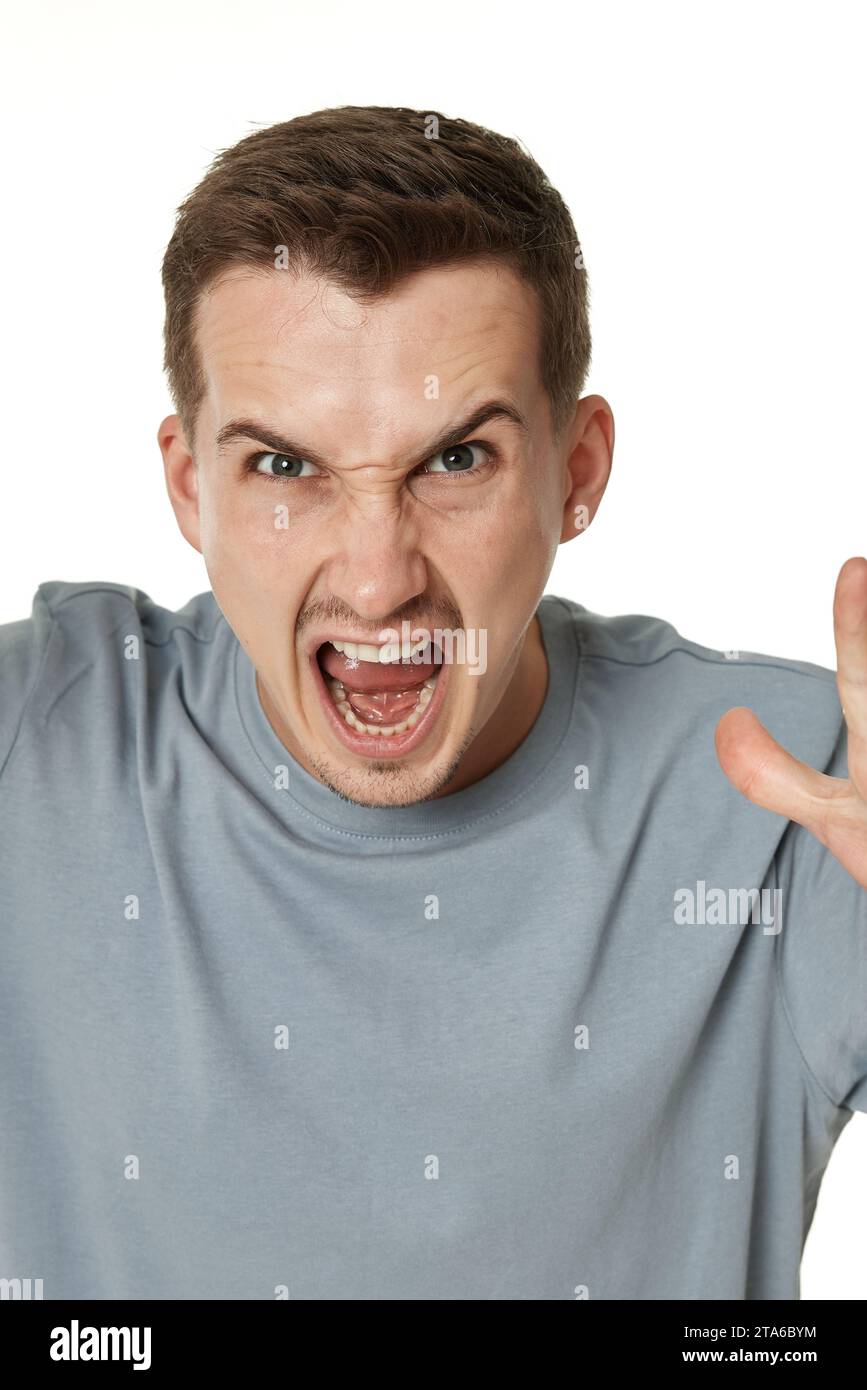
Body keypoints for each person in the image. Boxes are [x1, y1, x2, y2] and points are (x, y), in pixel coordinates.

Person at [1, 104, 865, 1301]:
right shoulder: (37, 743)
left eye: (455, 460)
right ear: (192, 487)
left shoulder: (807, 794)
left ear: (578, 470)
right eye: (285, 467)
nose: (376, 577)